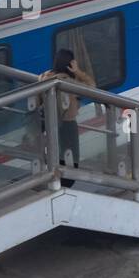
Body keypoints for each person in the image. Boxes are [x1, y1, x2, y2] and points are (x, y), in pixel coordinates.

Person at [39, 48, 95, 186]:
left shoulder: (44, 78)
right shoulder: (68, 83)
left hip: (49, 125)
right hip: (67, 126)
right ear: (70, 64)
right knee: (70, 162)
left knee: (53, 157)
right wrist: (78, 71)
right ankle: (63, 186)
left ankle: (53, 182)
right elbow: (92, 87)